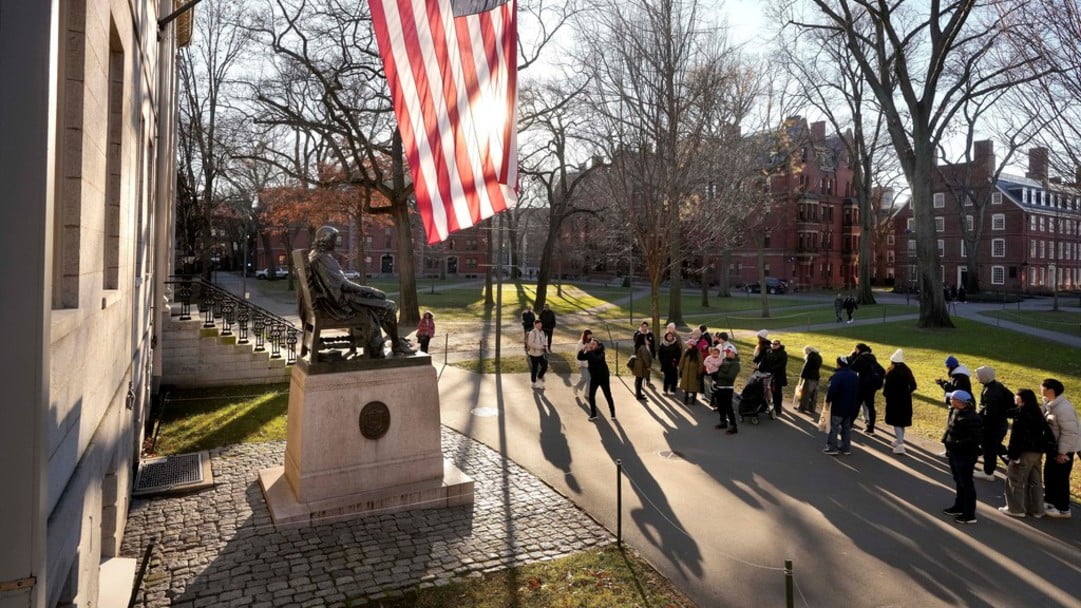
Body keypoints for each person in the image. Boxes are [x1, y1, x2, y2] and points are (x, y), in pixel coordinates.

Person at [306, 225, 415, 356]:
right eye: (334, 239)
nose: (336, 242)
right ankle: (396, 346)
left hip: (331, 301)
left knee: (382, 305)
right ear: (326, 240)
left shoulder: (315, 255)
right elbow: (345, 285)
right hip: (340, 304)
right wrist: (371, 290)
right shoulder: (323, 259)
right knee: (389, 306)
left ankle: (396, 343)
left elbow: (340, 284)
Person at [1000, 389, 1049, 518]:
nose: (1015, 397)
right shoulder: (1036, 412)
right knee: (1035, 481)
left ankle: (1016, 509)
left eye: (1017, 396)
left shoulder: (1021, 415)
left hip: (1023, 452)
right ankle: (1037, 510)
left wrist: (1013, 455)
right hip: (1037, 452)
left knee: (1015, 479)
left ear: (1022, 399)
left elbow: (1017, 437)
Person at [942, 390, 983, 524]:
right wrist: (946, 440)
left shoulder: (972, 418)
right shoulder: (955, 411)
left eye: (952, 399)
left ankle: (969, 514)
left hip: (965, 455)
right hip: (955, 452)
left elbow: (974, 438)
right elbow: (950, 428)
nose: (950, 400)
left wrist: (956, 444)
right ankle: (959, 506)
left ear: (960, 402)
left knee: (966, 483)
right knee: (959, 481)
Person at [1041, 378, 1080, 518]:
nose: (1041, 390)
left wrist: (1062, 452)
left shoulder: (1063, 409)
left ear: (1050, 391)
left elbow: (1070, 432)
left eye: (1043, 388)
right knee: (1050, 474)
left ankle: (1063, 509)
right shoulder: (1050, 403)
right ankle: (1050, 501)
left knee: (1060, 478)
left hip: (1065, 449)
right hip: (1054, 448)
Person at [974, 366, 1012, 481]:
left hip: (992, 426)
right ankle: (1012, 465)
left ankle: (988, 472)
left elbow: (989, 413)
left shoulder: (990, 392)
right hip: (1000, 424)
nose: (976, 378)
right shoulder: (998, 386)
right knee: (997, 447)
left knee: (989, 449)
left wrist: (980, 418)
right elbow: (1011, 400)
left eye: (978, 376)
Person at [882, 349, 917, 455]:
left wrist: (886, 395)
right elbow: (913, 385)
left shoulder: (891, 373)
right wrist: (907, 392)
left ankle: (900, 444)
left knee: (896, 421)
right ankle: (899, 439)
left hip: (894, 401)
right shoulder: (907, 370)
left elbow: (886, 388)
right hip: (905, 400)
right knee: (902, 422)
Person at [823, 356, 860, 455]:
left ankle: (832, 447)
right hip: (850, 405)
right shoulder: (854, 375)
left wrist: (828, 400)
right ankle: (846, 447)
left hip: (838, 405)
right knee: (846, 428)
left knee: (834, 427)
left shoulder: (837, 376)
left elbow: (832, 390)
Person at [577, 337, 616, 421]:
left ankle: (613, 413)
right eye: (591, 343)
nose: (591, 345)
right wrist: (584, 348)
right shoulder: (590, 352)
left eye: (593, 344)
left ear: (598, 346)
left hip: (603, 377)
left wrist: (589, 351)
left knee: (608, 395)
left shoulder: (601, 352)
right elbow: (579, 357)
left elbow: (596, 359)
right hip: (595, 378)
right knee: (591, 396)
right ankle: (593, 414)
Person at [848, 343, 884, 434]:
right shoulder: (872, 358)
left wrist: (853, 356)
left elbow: (852, 368)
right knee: (870, 407)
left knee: (856, 405)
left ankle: (849, 424)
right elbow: (882, 371)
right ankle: (870, 428)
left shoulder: (861, 359)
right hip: (871, 387)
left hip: (862, 385)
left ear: (859, 350)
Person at [713, 345, 741, 433]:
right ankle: (723, 422)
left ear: (733, 353)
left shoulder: (736, 364)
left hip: (727, 388)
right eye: (726, 352)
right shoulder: (724, 361)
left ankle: (733, 426)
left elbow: (731, 377)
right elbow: (718, 370)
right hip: (719, 387)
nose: (726, 353)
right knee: (720, 406)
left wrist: (720, 375)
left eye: (728, 352)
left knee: (728, 407)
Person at [795, 346, 822, 414]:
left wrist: (801, 376)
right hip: (816, 377)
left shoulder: (810, 357)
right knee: (813, 394)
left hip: (809, 377)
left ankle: (802, 408)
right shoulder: (819, 357)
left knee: (805, 393)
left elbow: (806, 367)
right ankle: (812, 408)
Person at [765, 339, 789, 416]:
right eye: (773, 344)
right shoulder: (769, 351)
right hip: (768, 374)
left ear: (779, 345)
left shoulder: (783, 353)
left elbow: (782, 364)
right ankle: (767, 405)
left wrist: (772, 368)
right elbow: (765, 360)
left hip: (778, 376)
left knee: (777, 392)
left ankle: (777, 407)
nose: (774, 345)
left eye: (776, 344)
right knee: (768, 390)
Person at [678, 339, 703, 405]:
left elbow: (700, 363)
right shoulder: (686, 352)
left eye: (688, 344)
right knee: (686, 387)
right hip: (686, 372)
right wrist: (681, 370)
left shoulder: (698, 353)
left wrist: (699, 372)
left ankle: (693, 400)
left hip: (694, 373)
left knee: (694, 387)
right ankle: (686, 399)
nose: (687, 345)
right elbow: (682, 361)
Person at [525, 319, 549, 389]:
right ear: (535, 325)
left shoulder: (542, 332)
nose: (539, 325)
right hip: (533, 354)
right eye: (538, 324)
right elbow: (530, 343)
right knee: (534, 368)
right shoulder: (532, 333)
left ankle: (539, 378)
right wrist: (540, 347)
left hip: (541, 354)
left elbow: (544, 341)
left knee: (545, 366)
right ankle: (533, 383)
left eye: (540, 324)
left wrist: (545, 347)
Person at [631, 332, 654, 401]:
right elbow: (645, 358)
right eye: (644, 338)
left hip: (639, 365)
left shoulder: (639, 346)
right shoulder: (643, 347)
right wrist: (648, 366)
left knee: (638, 380)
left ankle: (638, 393)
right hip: (641, 366)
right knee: (639, 381)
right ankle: (639, 395)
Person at [658, 331, 682, 396]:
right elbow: (660, 354)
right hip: (665, 364)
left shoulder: (675, 344)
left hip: (673, 364)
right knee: (666, 377)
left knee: (673, 377)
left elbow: (679, 354)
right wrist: (662, 361)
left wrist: (676, 361)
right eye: (668, 336)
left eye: (671, 336)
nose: (669, 337)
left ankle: (672, 390)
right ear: (666, 337)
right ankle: (665, 390)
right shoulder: (663, 344)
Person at [633, 321, 657, 388]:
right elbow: (636, 344)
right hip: (641, 355)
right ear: (641, 327)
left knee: (648, 367)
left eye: (645, 326)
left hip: (649, 353)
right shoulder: (638, 334)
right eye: (643, 326)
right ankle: (639, 382)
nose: (644, 328)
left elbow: (653, 344)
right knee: (642, 368)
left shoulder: (650, 334)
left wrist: (653, 353)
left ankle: (648, 379)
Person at [574, 330, 593, 396]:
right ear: (585, 335)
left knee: (590, 379)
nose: (590, 336)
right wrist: (579, 364)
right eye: (589, 335)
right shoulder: (580, 343)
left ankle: (587, 394)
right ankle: (576, 386)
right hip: (582, 364)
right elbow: (577, 354)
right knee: (584, 378)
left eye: (591, 335)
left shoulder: (592, 342)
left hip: (590, 364)